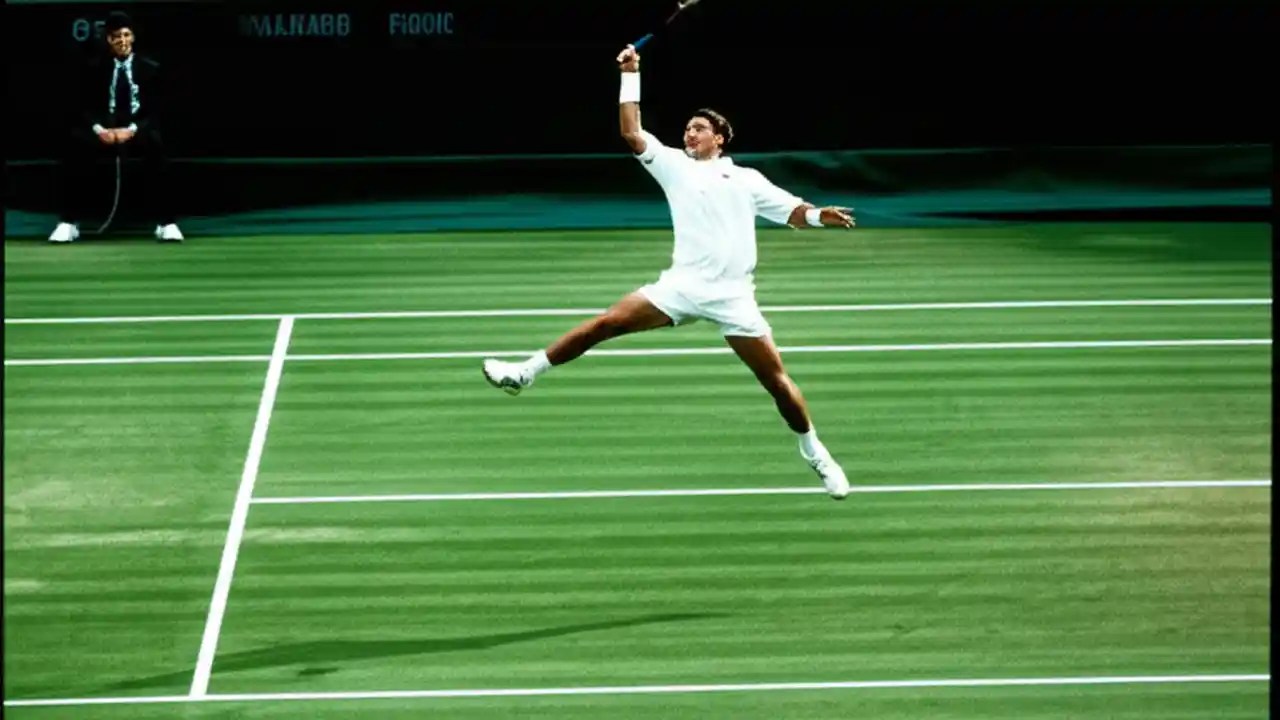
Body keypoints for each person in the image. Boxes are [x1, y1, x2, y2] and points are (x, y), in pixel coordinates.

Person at [482, 44, 855, 499]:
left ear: (721, 138)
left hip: (734, 296)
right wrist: (631, 74)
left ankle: (816, 454)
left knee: (776, 381)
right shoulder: (673, 166)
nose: (689, 134)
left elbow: (794, 212)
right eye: (687, 128)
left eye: (698, 128)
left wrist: (820, 217)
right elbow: (632, 132)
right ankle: (525, 373)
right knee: (604, 324)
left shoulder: (747, 180)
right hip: (681, 286)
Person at [48, 10, 184, 243]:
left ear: (132, 37)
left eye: (126, 35)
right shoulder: (93, 68)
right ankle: (68, 223)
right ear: (108, 39)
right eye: (116, 36)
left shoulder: (150, 68)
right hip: (104, 131)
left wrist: (131, 130)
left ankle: (167, 222)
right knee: (75, 144)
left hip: (135, 131)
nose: (122, 41)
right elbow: (82, 107)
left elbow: (155, 111)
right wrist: (99, 129)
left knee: (157, 145)